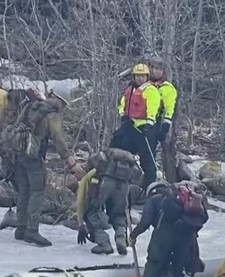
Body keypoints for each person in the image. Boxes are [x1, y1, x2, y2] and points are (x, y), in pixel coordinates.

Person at [0, 87, 84, 247]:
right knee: (37, 191)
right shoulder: (52, 115)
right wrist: (70, 161)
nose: (63, 108)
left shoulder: (31, 106)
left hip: (18, 155)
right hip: (33, 156)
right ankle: (32, 230)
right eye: (64, 105)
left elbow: (17, 125)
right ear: (59, 101)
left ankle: (21, 228)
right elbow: (58, 140)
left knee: (24, 191)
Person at [129, 182, 207, 277]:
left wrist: (133, 235)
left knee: (154, 261)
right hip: (185, 235)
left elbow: (145, 221)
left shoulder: (153, 199)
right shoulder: (179, 197)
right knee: (178, 264)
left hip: (164, 234)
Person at [75, 148, 143, 255]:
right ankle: (121, 239)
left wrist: (80, 224)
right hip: (123, 185)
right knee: (118, 214)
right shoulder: (118, 171)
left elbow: (81, 202)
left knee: (91, 213)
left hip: (105, 184)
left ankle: (104, 244)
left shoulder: (89, 176)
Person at [110, 62, 161, 190]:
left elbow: (153, 107)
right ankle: (118, 180)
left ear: (147, 76)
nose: (140, 78)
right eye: (138, 75)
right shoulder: (130, 89)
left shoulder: (150, 90)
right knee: (117, 146)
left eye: (143, 76)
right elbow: (123, 104)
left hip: (144, 128)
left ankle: (149, 188)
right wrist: (123, 114)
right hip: (130, 126)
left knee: (147, 159)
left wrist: (149, 122)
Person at [148, 58, 178, 153]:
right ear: (151, 69)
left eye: (160, 69)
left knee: (150, 147)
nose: (157, 72)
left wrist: (165, 126)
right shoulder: (144, 83)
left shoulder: (167, 87)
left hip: (156, 121)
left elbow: (170, 108)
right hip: (139, 119)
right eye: (156, 68)